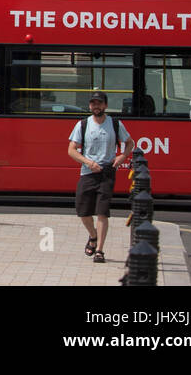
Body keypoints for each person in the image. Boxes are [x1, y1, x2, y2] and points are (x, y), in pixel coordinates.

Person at [68, 91, 134, 264]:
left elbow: (130, 143)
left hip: (107, 172)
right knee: (83, 212)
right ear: (90, 106)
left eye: (99, 103)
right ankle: (93, 236)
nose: (96, 106)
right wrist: (88, 162)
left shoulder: (115, 123)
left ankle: (99, 250)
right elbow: (71, 150)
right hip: (88, 173)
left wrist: (122, 157)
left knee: (102, 213)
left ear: (105, 105)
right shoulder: (83, 124)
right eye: (93, 103)